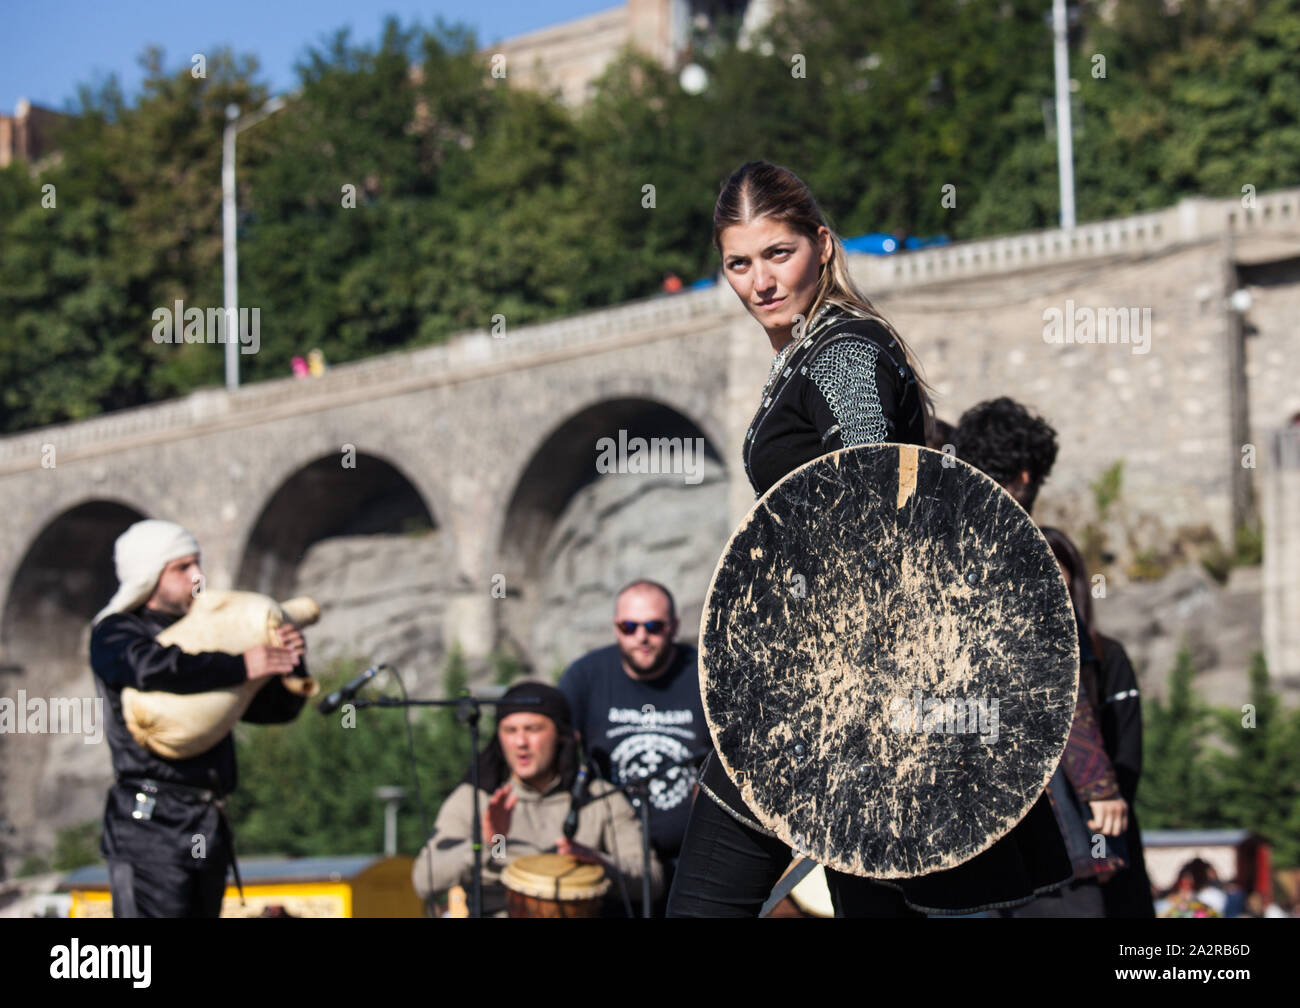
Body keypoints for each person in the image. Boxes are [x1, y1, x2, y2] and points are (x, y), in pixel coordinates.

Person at [666, 160, 1072, 917]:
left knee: (704, 907)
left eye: (778, 254)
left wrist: (852, 669)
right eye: (738, 264)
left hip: (835, 690)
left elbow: (869, 500)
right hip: (841, 686)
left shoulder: (844, 350)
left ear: (822, 245)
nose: (759, 281)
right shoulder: (817, 350)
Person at [954, 401, 1130, 916]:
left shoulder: (932, 544)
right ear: (1028, 475)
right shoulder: (1019, 553)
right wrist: (1099, 785)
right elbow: (1055, 684)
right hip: (1034, 800)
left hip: (946, 804)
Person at [89, 519, 307, 918]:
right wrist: (240, 665)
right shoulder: (116, 632)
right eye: (182, 567)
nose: (198, 577)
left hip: (206, 820)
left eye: (197, 564)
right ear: (149, 575)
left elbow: (270, 711)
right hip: (149, 825)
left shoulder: (210, 636)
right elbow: (149, 666)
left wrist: (287, 662)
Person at [411, 681, 663, 916]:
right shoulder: (475, 798)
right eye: (510, 730)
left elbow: (653, 881)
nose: (521, 742)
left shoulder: (599, 797)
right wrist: (490, 843)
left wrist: (598, 863)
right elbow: (424, 880)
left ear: (561, 735)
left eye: (533, 729)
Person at [558, 579, 708, 911]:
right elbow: (552, 748)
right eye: (629, 626)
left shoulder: (704, 673)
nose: (642, 636)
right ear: (615, 628)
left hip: (694, 860)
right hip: (613, 861)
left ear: (673, 627)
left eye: (654, 626)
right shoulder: (585, 676)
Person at [1040, 526, 1154, 917]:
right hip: (1033, 838)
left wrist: (1103, 805)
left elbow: (1126, 750)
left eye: (1057, 571)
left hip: (1098, 827)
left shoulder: (1106, 654)